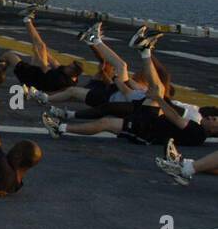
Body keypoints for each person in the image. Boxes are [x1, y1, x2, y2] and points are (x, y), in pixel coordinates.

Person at [43, 32, 217, 146]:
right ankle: (144, 50)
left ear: (214, 130)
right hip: (149, 116)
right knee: (156, 84)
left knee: (106, 122)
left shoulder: (198, 131)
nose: (211, 118)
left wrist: (159, 99)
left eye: (215, 120)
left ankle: (62, 126)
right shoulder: (197, 120)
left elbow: (175, 117)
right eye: (214, 116)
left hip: (147, 129)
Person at [1, 8, 82, 94]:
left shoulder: (61, 79)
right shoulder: (70, 76)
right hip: (38, 75)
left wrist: (36, 51)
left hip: (32, 79)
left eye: (70, 67)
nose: (67, 66)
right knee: (42, 46)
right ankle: (27, 20)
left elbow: (43, 66)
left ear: (74, 73)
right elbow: (54, 62)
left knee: (8, 55)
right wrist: (43, 50)